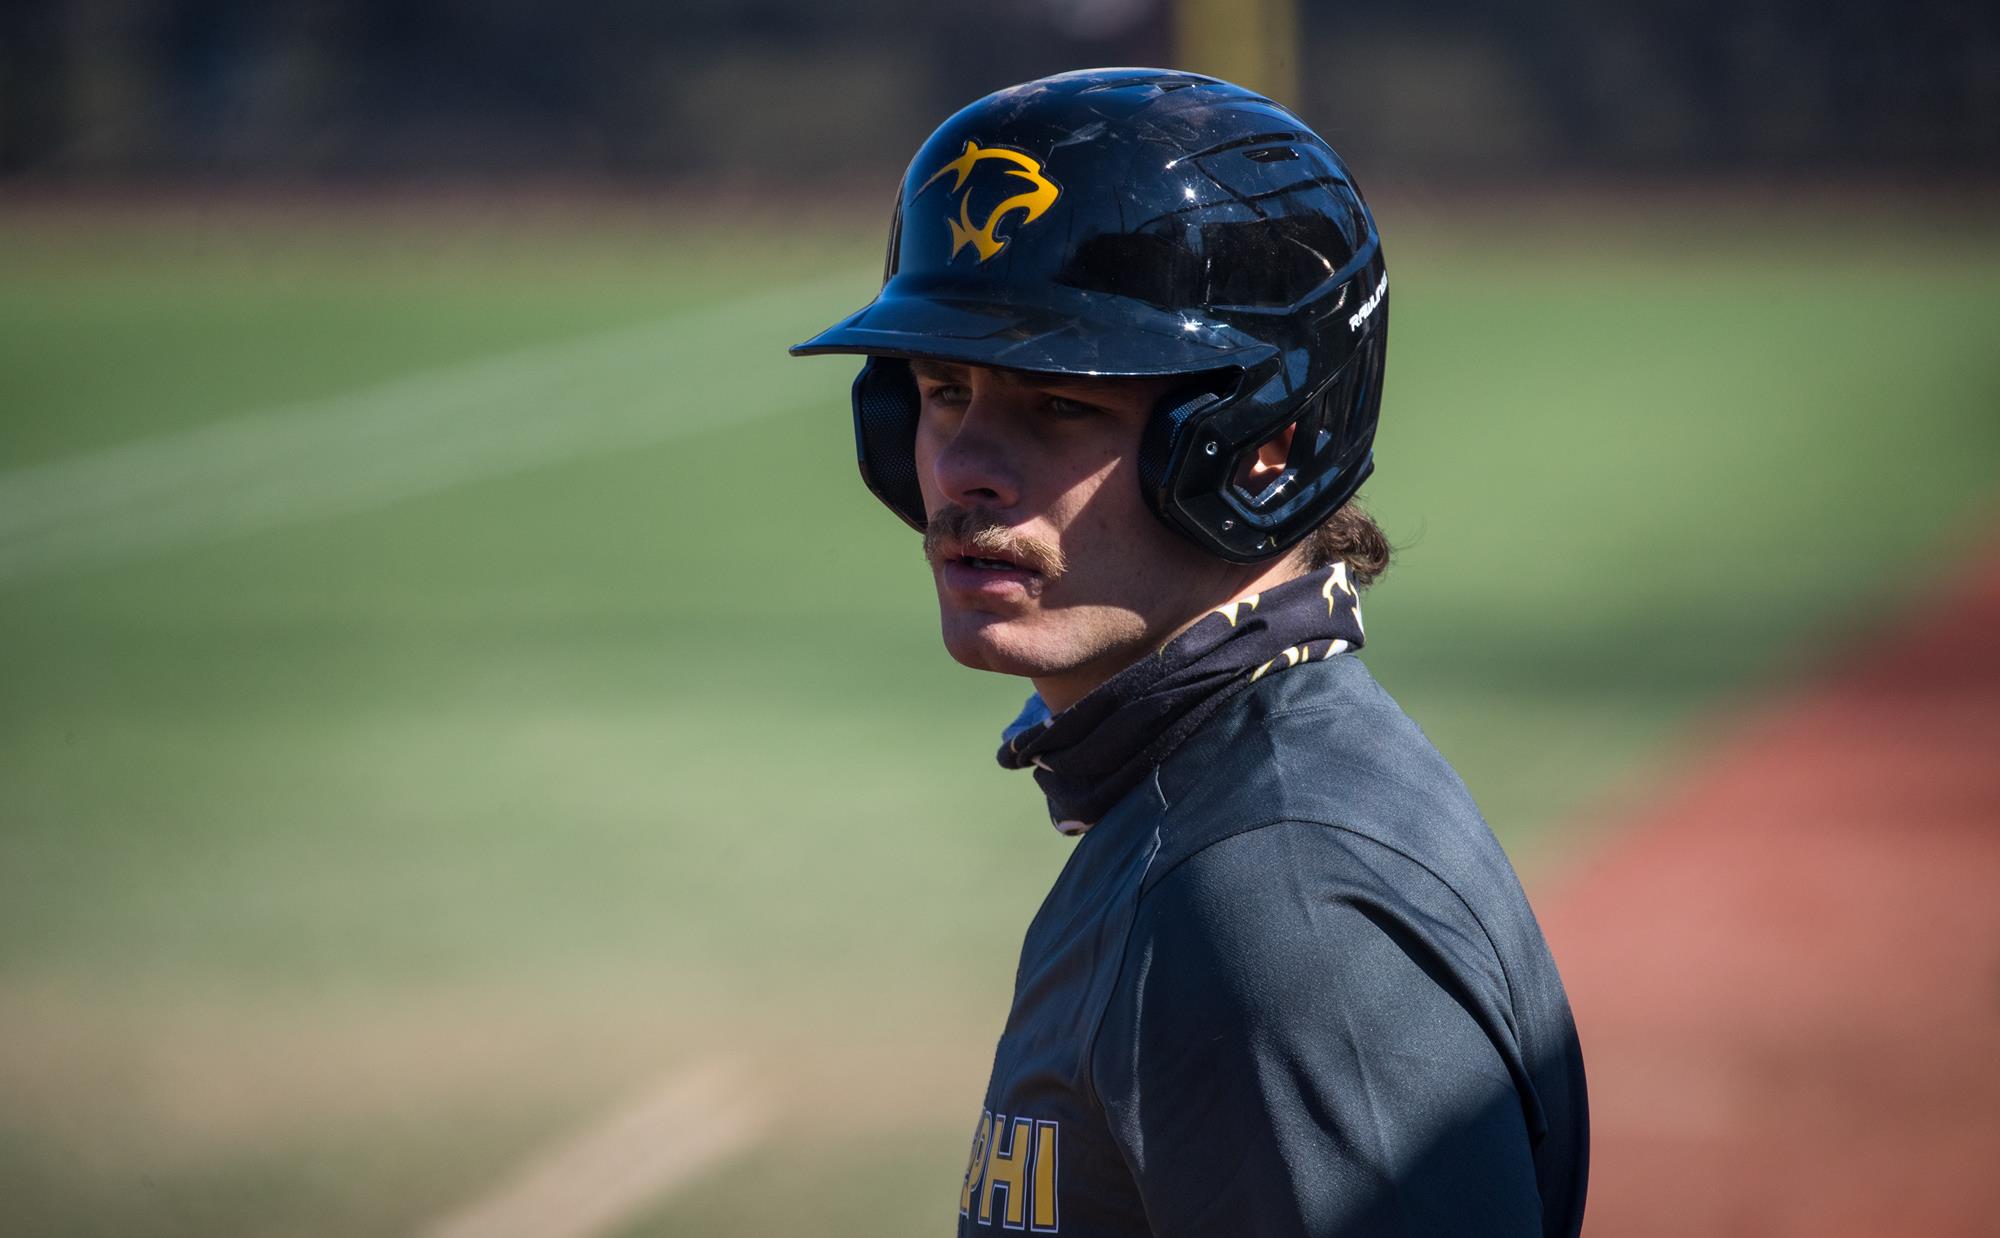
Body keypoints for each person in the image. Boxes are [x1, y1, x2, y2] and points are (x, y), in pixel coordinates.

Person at [791, 67, 1587, 1238]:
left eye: (1059, 404)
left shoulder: (1275, 907)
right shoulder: (1200, 802)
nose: (961, 465)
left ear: (1263, 442)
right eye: (942, 390)